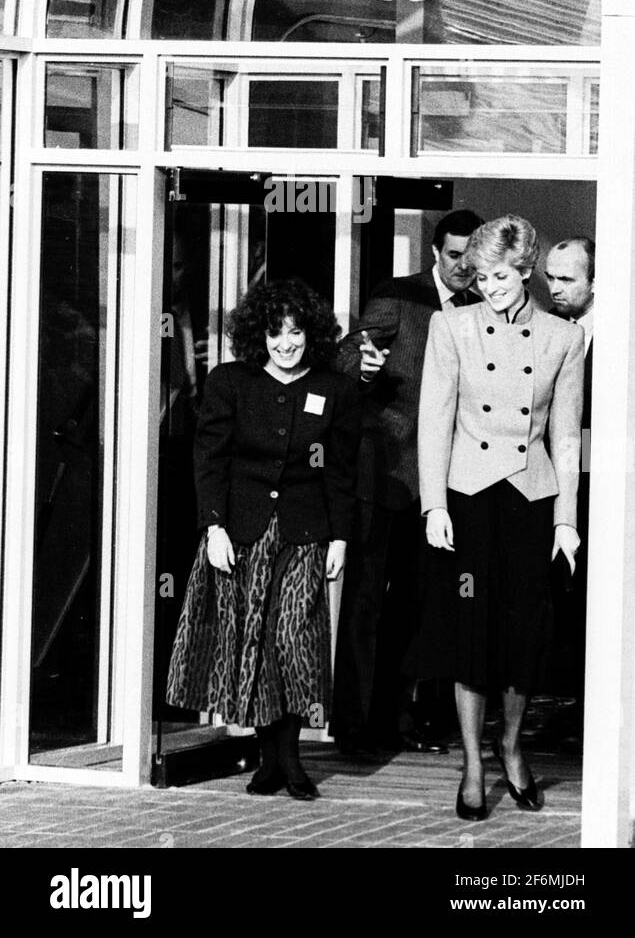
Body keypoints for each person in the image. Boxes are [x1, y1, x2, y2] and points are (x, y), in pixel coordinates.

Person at [166, 277, 361, 801]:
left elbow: (341, 473)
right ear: (260, 335)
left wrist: (340, 538)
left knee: (292, 638)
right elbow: (209, 460)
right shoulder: (230, 382)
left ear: (311, 335)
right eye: (275, 333)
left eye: (295, 332)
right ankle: (270, 761)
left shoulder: (334, 389)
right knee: (250, 640)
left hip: (305, 532)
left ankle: (290, 758)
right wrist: (213, 528)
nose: (286, 343)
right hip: (242, 531)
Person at [418, 216, 584, 821]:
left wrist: (566, 518)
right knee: (470, 634)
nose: (489, 287)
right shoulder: (450, 325)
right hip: (468, 496)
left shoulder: (564, 339)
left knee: (523, 636)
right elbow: (433, 421)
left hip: (530, 499)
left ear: (527, 273)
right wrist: (433, 503)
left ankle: (510, 745)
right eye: (482, 276)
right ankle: (471, 763)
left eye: (503, 277)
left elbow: (566, 436)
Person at [330, 208, 483, 756]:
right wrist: (366, 368)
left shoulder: (484, 306)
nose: (464, 265)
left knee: (420, 608)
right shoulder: (400, 295)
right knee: (366, 603)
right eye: (454, 255)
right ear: (435, 254)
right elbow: (347, 354)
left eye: (473, 255)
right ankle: (351, 727)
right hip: (386, 473)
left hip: (441, 483)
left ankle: (398, 721)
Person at [543, 237, 594, 750]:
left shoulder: (617, 334)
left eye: (566, 279)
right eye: (550, 277)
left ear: (594, 281)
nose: (554, 288)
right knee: (565, 598)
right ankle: (572, 712)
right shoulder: (549, 332)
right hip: (557, 483)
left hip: (603, 483)